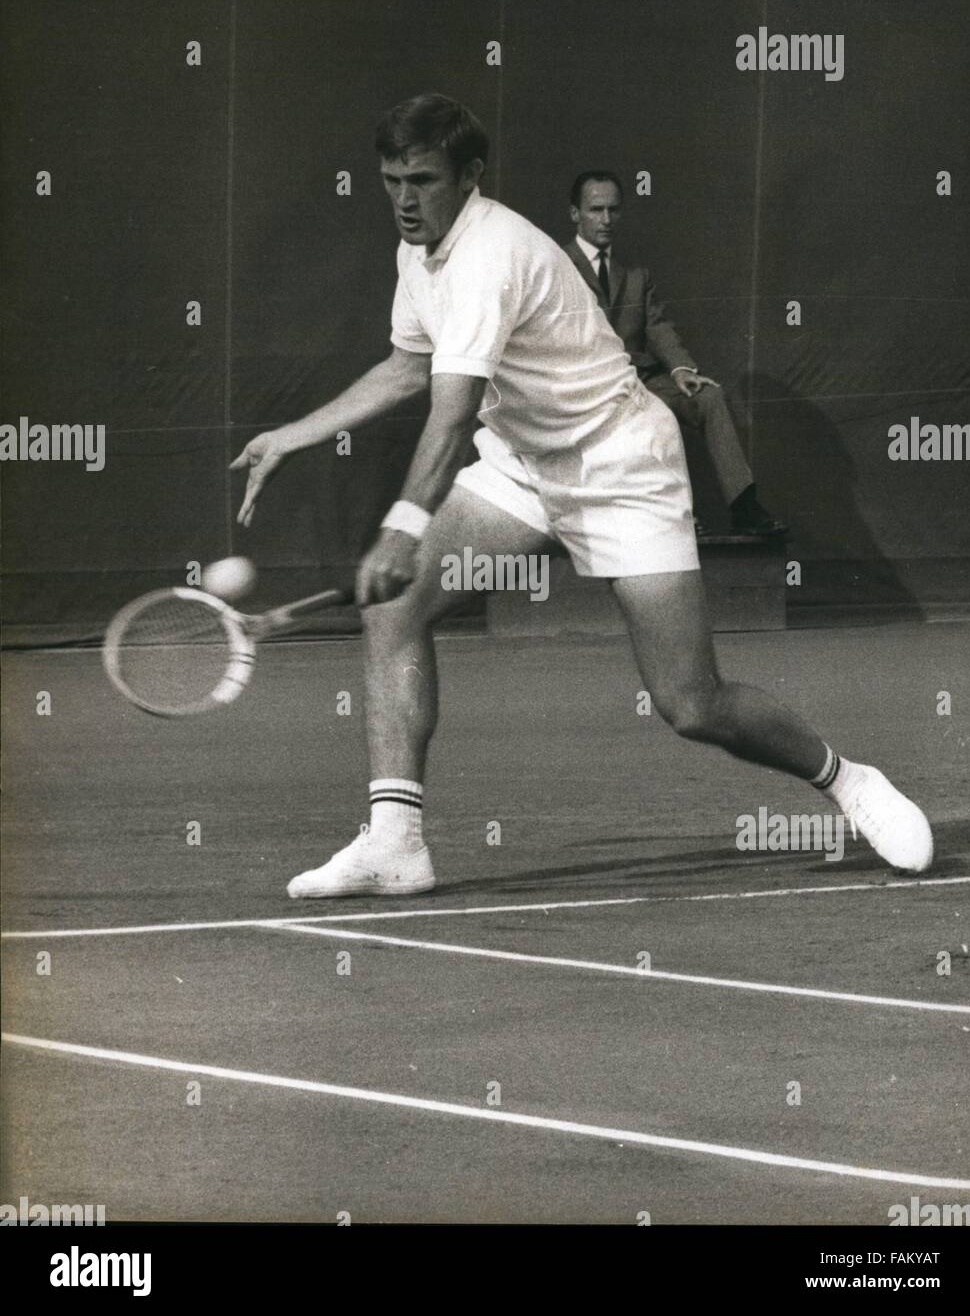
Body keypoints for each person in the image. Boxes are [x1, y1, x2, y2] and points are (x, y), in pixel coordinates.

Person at [231, 93, 932, 898]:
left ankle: (849, 782)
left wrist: (401, 528)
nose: (404, 199)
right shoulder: (417, 252)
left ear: (471, 177)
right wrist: (295, 433)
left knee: (690, 701)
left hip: (622, 464)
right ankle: (396, 843)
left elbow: (453, 413)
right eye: (391, 180)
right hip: (528, 464)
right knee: (393, 610)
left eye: (421, 180)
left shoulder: (489, 256)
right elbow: (408, 366)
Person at [565, 170, 786, 537]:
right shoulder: (557, 266)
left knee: (709, 396)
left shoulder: (635, 273)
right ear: (575, 213)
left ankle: (744, 505)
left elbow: (658, 327)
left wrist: (683, 369)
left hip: (643, 378)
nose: (606, 220)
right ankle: (676, 518)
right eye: (595, 209)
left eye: (613, 210)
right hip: (590, 381)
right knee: (649, 419)